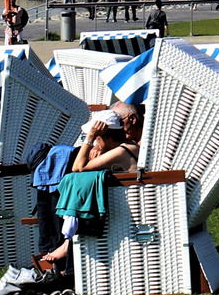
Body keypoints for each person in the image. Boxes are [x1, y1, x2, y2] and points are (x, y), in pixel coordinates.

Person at [32, 110, 141, 272]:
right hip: (122, 208)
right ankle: (65, 245)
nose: (94, 142)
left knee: (74, 180)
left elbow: (78, 167)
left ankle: (64, 245)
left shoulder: (122, 151)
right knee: (76, 183)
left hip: (122, 213)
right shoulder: (122, 148)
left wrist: (89, 140)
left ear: (104, 135)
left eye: (96, 137)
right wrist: (99, 146)